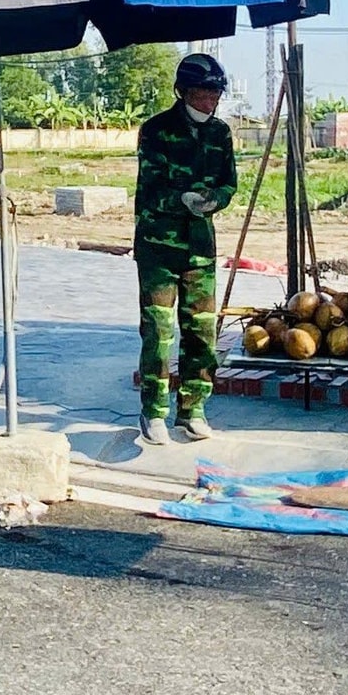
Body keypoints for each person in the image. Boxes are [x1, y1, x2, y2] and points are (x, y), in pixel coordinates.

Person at [133, 53, 237, 445]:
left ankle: (193, 409)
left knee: (201, 331)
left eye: (215, 93)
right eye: (204, 91)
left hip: (199, 249)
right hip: (159, 246)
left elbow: (229, 182)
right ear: (184, 91)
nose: (211, 100)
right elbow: (152, 188)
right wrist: (184, 200)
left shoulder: (220, 133)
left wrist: (215, 200)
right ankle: (153, 411)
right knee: (159, 331)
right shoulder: (156, 130)